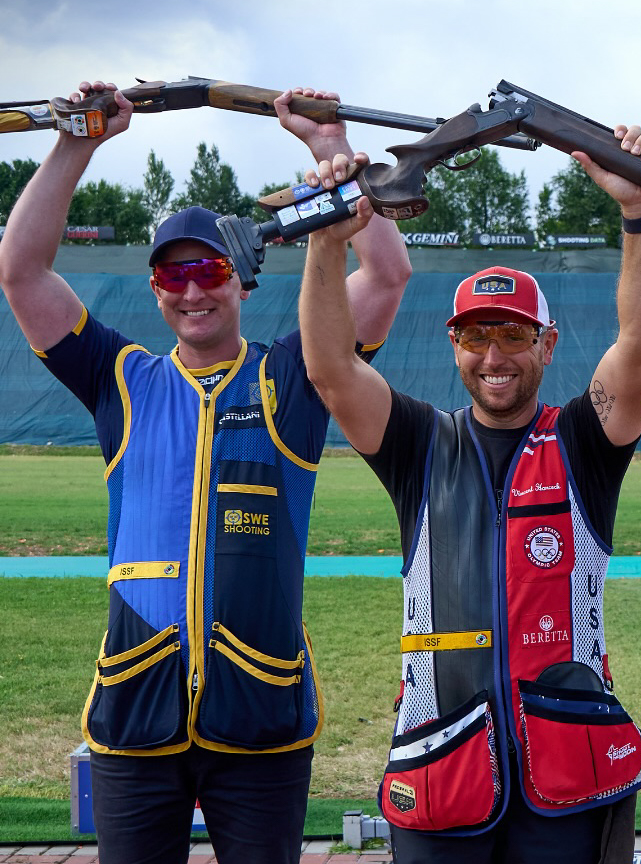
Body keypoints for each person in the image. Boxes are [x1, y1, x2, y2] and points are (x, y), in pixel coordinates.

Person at [0, 81, 411, 864]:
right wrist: (76, 143)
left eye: (210, 269)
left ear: (243, 280)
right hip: (135, 707)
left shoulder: (297, 374)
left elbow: (386, 277)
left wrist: (329, 147)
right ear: (155, 292)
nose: (192, 289)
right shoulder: (122, 379)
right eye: (172, 275)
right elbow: (21, 271)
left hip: (260, 714)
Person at [296, 125, 641, 863]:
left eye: (512, 334)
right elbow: (331, 371)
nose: (494, 356)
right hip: (441, 769)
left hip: (567, 768)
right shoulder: (419, 442)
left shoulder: (582, 443)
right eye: (475, 337)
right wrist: (326, 240)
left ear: (547, 344)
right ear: (454, 346)